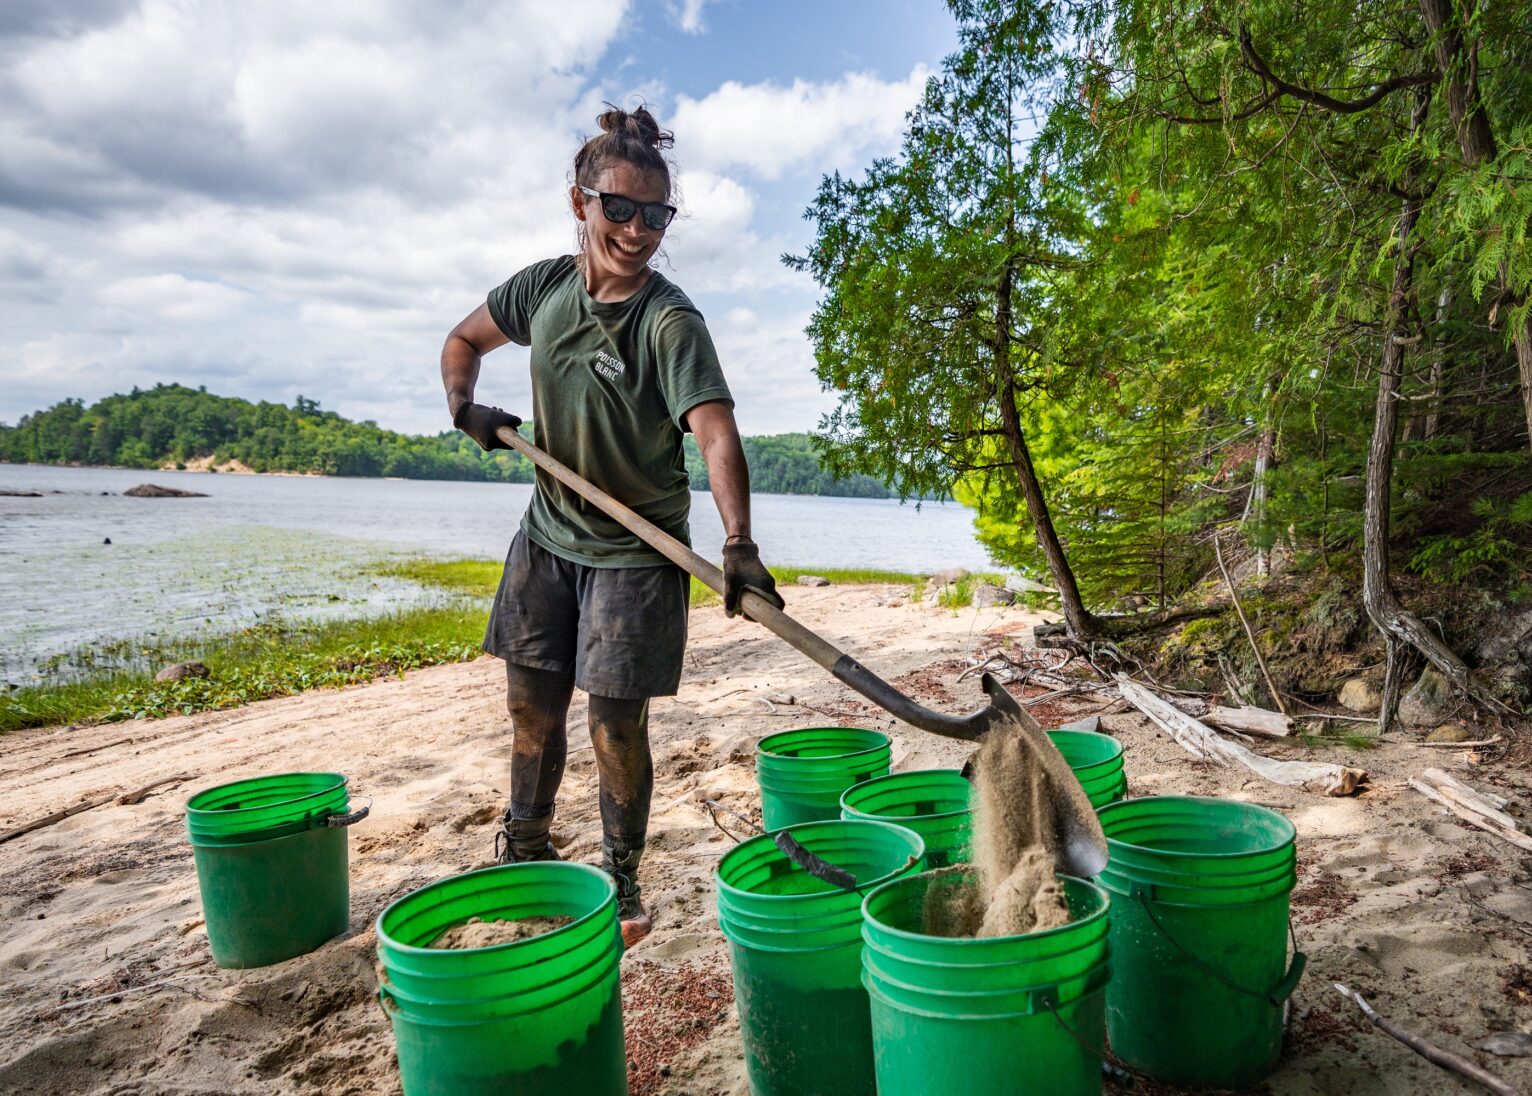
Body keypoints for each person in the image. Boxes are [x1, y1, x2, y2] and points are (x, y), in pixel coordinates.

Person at [439, 105, 783, 947]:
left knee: (614, 723)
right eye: (619, 209)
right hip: (547, 538)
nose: (638, 230)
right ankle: (525, 849)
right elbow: (461, 339)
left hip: (638, 555)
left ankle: (621, 879)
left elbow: (716, 434)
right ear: (579, 202)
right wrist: (464, 408)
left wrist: (738, 542)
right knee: (532, 710)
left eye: (656, 216)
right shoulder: (544, 290)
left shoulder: (669, 322)